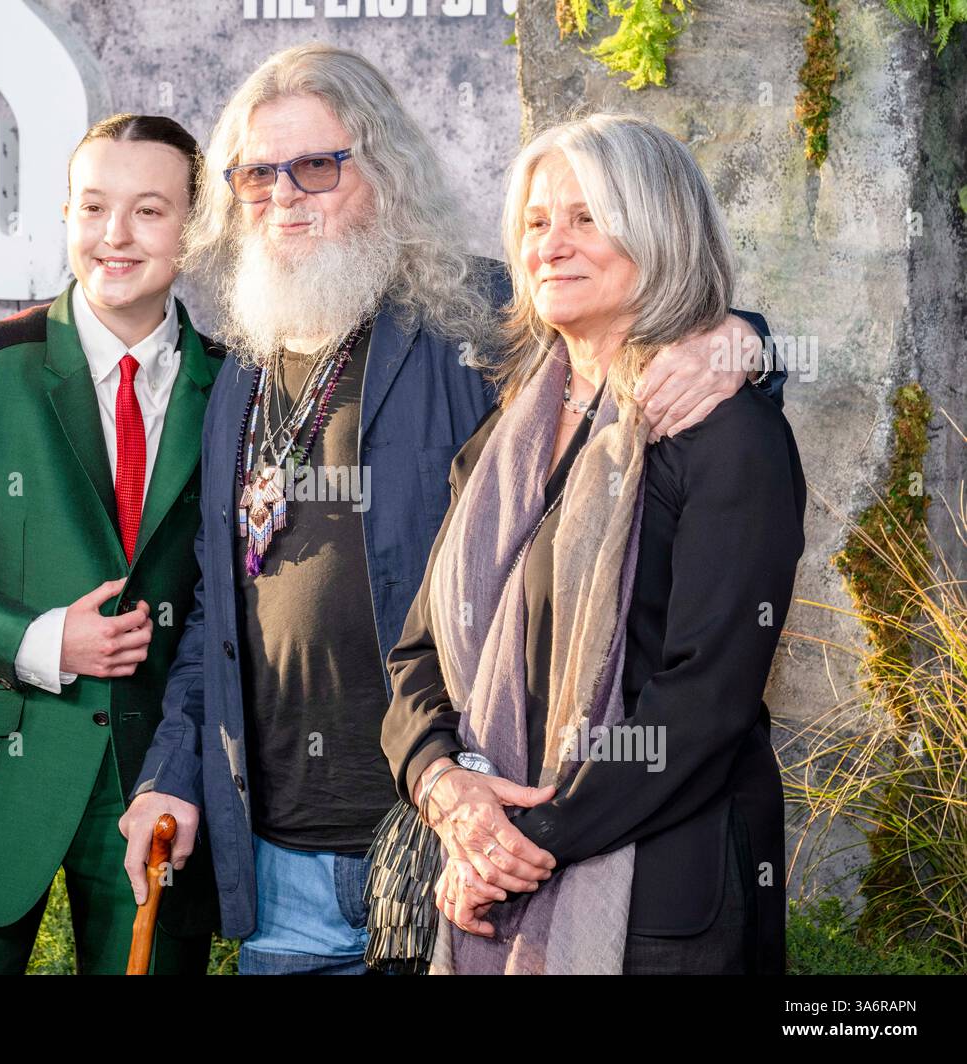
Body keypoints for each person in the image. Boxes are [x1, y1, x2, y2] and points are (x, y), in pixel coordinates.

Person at [121, 43, 785, 976]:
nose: (285, 194)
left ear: (383, 172)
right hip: (283, 868)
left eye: (317, 165)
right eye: (257, 173)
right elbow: (213, 622)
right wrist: (172, 777)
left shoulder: (482, 319)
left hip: (447, 850)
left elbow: (630, 317)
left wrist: (739, 341)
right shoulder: (238, 375)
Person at [380, 112, 805, 974]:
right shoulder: (505, 433)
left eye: (587, 218)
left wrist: (518, 845)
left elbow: (702, 704)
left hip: (657, 911)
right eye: (536, 223)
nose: (551, 246)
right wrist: (447, 788)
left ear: (660, 228)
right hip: (486, 872)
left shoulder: (727, 433)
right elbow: (419, 652)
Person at [0, 114, 221, 974]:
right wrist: (40, 640)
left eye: (148, 211)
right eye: (92, 207)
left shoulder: (238, 387)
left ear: (197, 230)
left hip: (154, 780)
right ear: (64, 214)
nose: (114, 237)